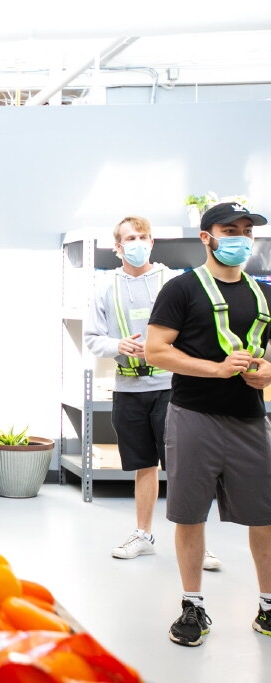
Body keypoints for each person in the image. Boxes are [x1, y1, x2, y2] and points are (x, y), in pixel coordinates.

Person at [145, 202, 271, 647]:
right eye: (229, 230)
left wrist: (268, 371)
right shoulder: (181, 289)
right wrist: (216, 369)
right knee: (189, 514)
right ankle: (192, 605)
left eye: (246, 231)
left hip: (249, 419)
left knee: (265, 515)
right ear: (207, 237)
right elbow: (156, 350)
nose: (240, 238)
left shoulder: (264, 293)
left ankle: (268, 606)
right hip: (193, 416)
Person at [85, 217, 222, 570]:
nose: (138, 243)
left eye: (143, 237)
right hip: (129, 388)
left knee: (182, 467)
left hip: (172, 387)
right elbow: (92, 338)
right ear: (117, 247)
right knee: (143, 464)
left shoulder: (172, 281)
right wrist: (118, 345)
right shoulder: (105, 287)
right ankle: (143, 535)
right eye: (130, 238)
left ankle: (196, 543)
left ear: (152, 242)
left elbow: (195, 331)